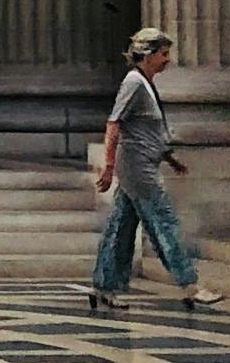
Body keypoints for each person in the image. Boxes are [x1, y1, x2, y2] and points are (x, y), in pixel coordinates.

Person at [89, 26, 220, 313]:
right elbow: (114, 124)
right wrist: (108, 166)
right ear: (148, 55)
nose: (168, 60)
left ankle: (104, 285)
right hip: (138, 168)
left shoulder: (144, 83)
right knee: (164, 222)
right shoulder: (134, 83)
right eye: (164, 54)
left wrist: (169, 158)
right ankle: (190, 284)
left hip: (141, 164)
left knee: (121, 228)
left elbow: (148, 129)